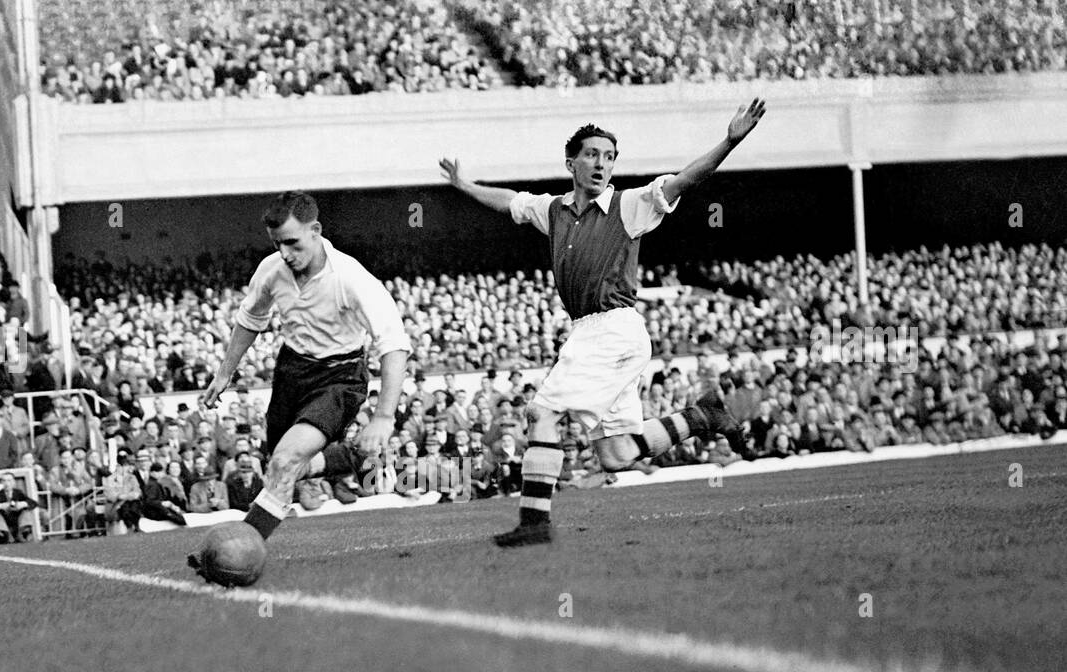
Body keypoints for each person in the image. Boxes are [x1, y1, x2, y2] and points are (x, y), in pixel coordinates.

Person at [439, 98, 766, 544]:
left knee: (542, 413)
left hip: (612, 328)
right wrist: (464, 183)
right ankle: (701, 415)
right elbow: (509, 202)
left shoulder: (629, 206)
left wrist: (729, 141)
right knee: (614, 454)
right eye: (592, 154)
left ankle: (535, 524)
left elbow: (686, 180)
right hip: (599, 333)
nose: (602, 164)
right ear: (571, 162)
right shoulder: (553, 210)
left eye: (609, 157)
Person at [194, 191, 409, 563]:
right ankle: (347, 458)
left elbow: (394, 345)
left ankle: (236, 556)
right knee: (281, 466)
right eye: (277, 244)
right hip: (291, 371)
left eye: (292, 243)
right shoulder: (272, 270)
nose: (285, 254)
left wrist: (384, 417)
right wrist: (223, 374)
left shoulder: (351, 278)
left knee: (284, 461)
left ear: (316, 230)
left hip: (340, 377)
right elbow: (250, 320)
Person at [0, 472, 38, 542]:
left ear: (14, 482)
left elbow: (33, 503)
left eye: (9, 480)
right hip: (4, 519)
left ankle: (22, 534)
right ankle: (6, 536)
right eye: (4, 481)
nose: (6, 483)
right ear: (1, 482)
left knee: (26, 512)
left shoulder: (18, 493)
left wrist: (23, 504)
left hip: (17, 519)